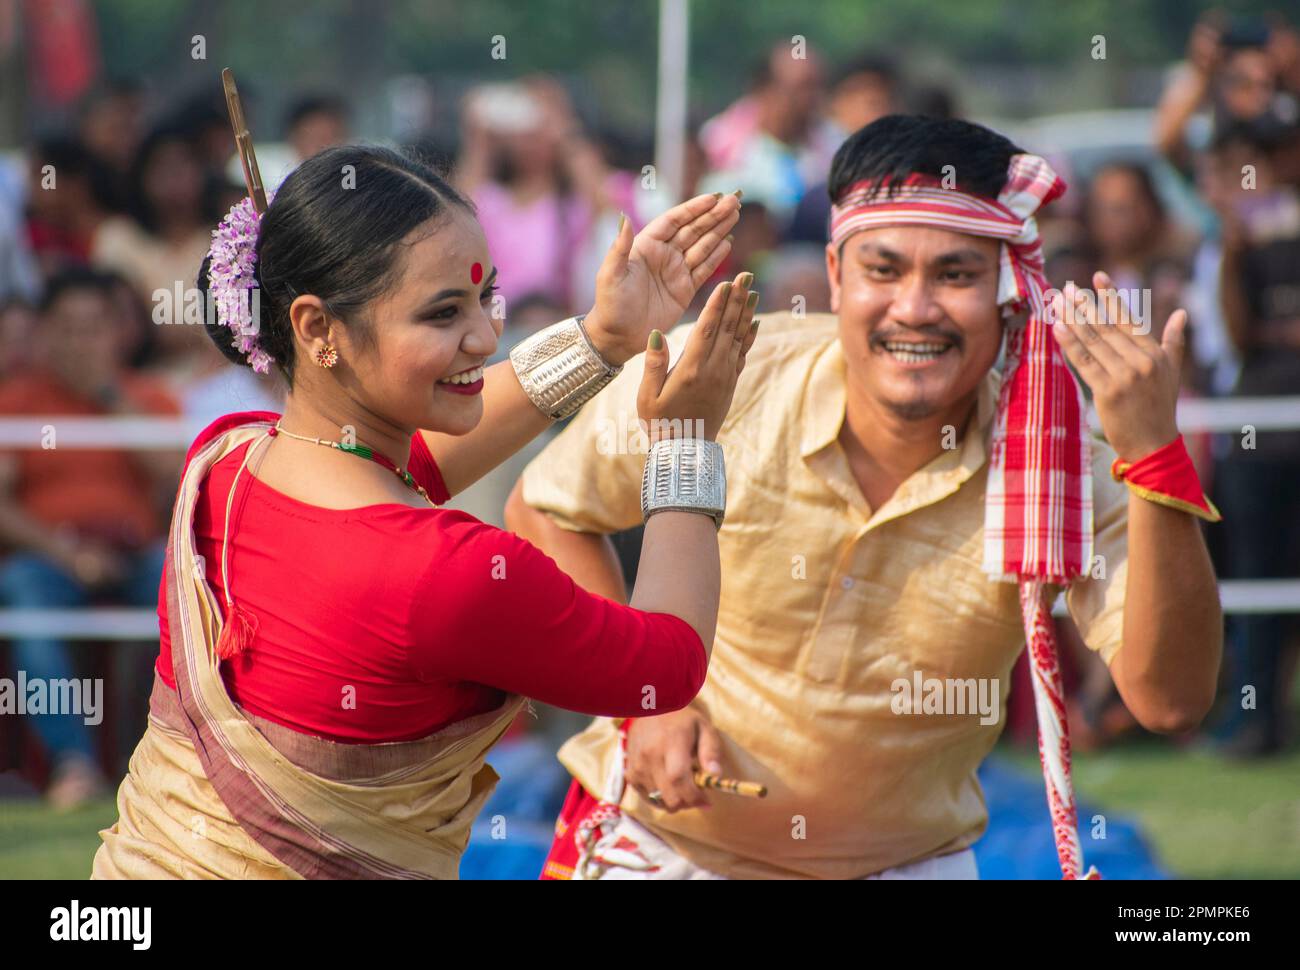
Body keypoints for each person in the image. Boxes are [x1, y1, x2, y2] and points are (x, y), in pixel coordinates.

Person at [508, 115, 1223, 881]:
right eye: (883, 270)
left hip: (906, 865)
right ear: (836, 275)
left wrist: (1156, 460)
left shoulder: (1058, 457)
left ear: (1011, 290)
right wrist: (643, 696)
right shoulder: (726, 374)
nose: (914, 309)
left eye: (955, 275)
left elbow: (1171, 701)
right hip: (655, 848)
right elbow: (547, 509)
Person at [91, 141, 754, 879]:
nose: (486, 335)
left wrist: (603, 339)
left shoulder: (227, 463)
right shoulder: (447, 572)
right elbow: (663, 667)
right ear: (316, 329)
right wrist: (686, 439)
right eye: (443, 313)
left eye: (485, 297)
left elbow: (411, 472)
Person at [0, 268, 180, 809]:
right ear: (45, 334)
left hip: (137, 554)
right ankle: (73, 765)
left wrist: (109, 396)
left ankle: (165, 763)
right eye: (68, 329)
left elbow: (177, 478)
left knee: (181, 593)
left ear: (118, 332)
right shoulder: (17, 399)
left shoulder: (150, 397)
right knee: (27, 600)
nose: (82, 342)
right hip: (48, 558)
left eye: (94, 328)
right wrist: (68, 553)